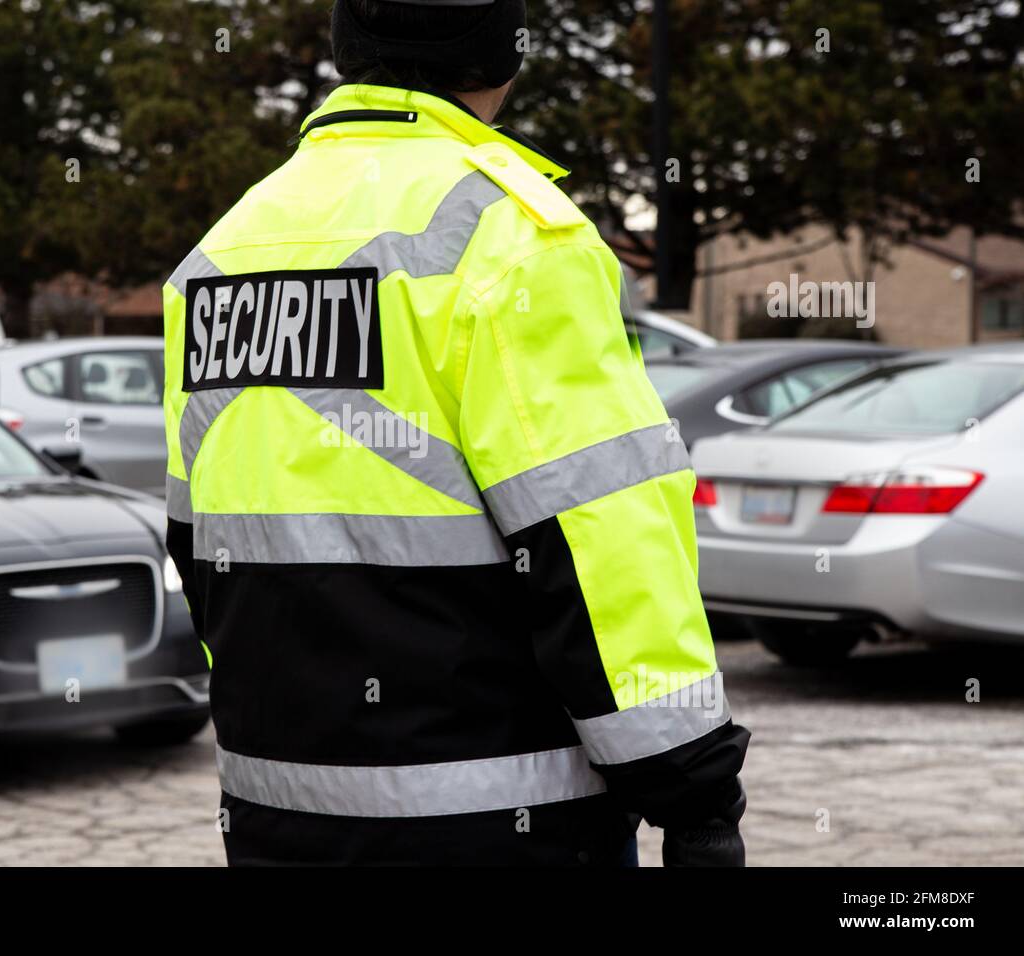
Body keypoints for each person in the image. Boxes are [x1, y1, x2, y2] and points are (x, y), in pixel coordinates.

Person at [162, 0, 749, 866]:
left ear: (345, 49)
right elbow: (596, 537)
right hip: (504, 820)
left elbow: (200, 541)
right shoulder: (515, 234)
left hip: (274, 810)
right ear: (500, 59)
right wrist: (692, 790)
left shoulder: (221, 253)